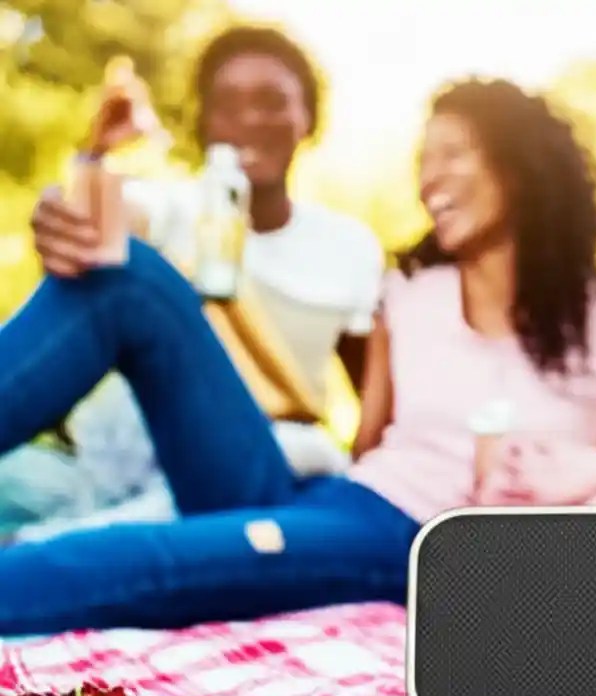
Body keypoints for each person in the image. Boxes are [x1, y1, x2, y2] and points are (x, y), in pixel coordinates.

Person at [0, 77, 596, 635]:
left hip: (427, 548)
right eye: (423, 160)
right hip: (344, 510)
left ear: (521, 164)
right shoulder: (410, 292)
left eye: (452, 153)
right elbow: (369, 449)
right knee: (133, 280)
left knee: (143, 559)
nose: (429, 178)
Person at [1, 26, 384, 543]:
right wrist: (86, 184)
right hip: (106, 470)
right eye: (227, 104)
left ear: (307, 118)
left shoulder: (349, 248)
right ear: (204, 123)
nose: (250, 119)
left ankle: (74, 544)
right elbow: (116, 222)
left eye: (272, 102)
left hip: (230, 473)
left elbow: (373, 407)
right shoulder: (179, 207)